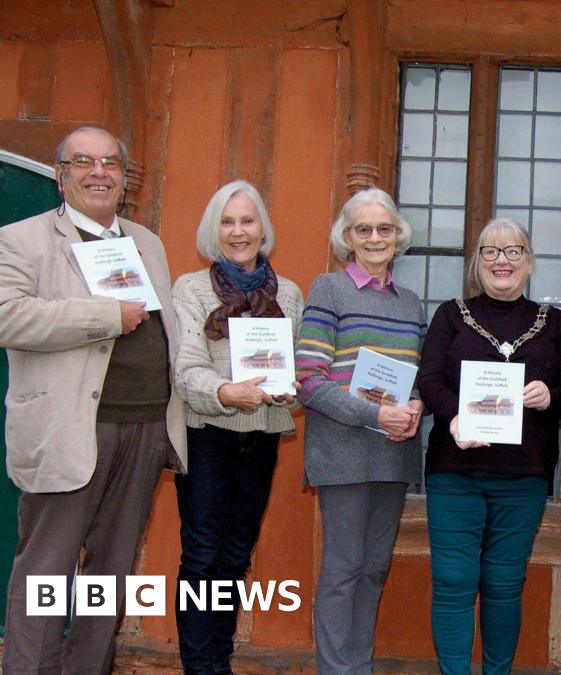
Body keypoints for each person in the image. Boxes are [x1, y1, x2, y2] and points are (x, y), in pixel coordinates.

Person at [0, 126, 187, 672]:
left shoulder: (145, 243)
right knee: (46, 573)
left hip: (144, 430)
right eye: (83, 161)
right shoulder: (22, 239)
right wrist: (104, 316)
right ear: (61, 175)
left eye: (109, 162)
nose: (98, 172)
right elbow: (8, 316)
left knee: (110, 574)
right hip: (71, 429)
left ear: (124, 179)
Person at [417, 217, 561, 675]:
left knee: (505, 584)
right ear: (477, 262)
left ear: (529, 261)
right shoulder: (450, 314)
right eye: (490, 251)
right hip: (455, 473)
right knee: (453, 582)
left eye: (513, 251)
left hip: (523, 476)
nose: (501, 260)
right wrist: (455, 415)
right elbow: (428, 380)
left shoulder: (554, 322)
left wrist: (553, 397)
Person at [171, 180, 304, 674]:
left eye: (247, 221)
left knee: (234, 556)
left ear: (262, 228)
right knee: (202, 555)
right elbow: (185, 366)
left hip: (262, 436)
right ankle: (199, 668)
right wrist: (226, 392)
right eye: (228, 222)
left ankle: (218, 663)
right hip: (207, 434)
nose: (238, 231)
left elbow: (295, 367)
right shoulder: (190, 288)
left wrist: (291, 387)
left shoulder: (288, 293)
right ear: (214, 230)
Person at [296, 188, 424, 673]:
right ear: (346, 237)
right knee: (343, 572)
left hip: (393, 454)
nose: (375, 238)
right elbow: (309, 380)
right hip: (343, 453)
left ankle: (358, 667)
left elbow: (421, 378)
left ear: (398, 236)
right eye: (364, 229)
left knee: (372, 572)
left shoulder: (411, 303)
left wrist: (417, 404)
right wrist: (375, 416)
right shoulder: (329, 289)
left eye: (385, 229)